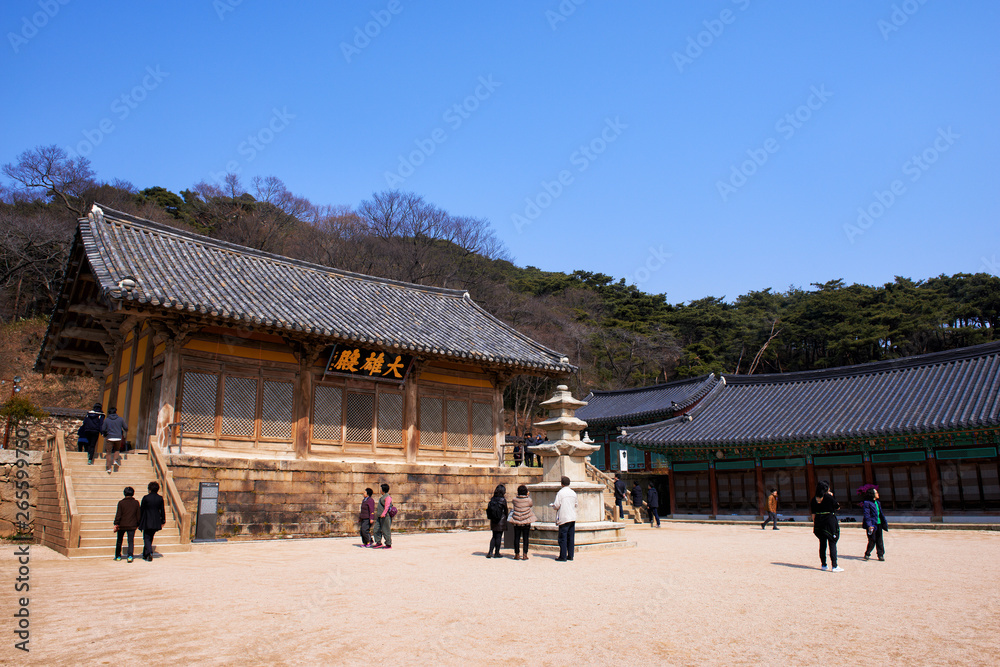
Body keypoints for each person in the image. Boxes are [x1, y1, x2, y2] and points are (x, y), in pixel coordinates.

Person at [810, 481, 842, 572]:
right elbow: (837, 507)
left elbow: (813, 514)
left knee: (822, 544)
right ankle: (834, 565)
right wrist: (831, 497)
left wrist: (815, 524)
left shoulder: (814, 499)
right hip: (829, 521)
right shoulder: (828, 497)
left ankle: (824, 564)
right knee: (832, 542)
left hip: (819, 522)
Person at [137, 481, 165, 562]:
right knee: (150, 537)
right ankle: (145, 554)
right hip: (156, 520)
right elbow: (162, 510)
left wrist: (139, 521)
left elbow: (141, 510)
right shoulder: (160, 498)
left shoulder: (146, 498)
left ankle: (149, 552)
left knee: (146, 537)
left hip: (147, 519)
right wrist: (163, 520)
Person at [552, 476, 577, 561]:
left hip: (564, 517)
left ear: (561, 483)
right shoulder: (573, 492)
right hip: (572, 516)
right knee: (571, 537)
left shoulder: (560, 493)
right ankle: (570, 555)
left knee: (563, 538)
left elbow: (557, 505)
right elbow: (576, 504)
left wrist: (553, 506)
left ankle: (563, 556)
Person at [113, 486, 140, 562]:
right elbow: (138, 514)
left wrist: (116, 523)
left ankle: (118, 556)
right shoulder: (136, 503)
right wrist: (138, 523)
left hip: (122, 525)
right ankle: (130, 556)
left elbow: (118, 514)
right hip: (132, 525)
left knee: (119, 540)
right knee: (130, 541)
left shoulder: (121, 503)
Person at [510, 484, 537, 560]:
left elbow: (514, 502)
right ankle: (525, 554)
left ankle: (517, 554)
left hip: (517, 521)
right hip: (526, 521)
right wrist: (527, 495)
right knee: (525, 538)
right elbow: (530, 505)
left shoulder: (514, 500)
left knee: (516, 538)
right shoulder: (529, 500)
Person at [100, 406, 128, 474]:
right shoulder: (120, 419)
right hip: (118, 437)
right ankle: (115, 460)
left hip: (109, 437)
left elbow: (103, 429)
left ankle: (109, 468)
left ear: (109, 413)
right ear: (116, 412)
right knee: (117, 450)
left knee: (109, 453)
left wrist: (104, 434)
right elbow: (126, 428)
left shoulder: (107, 420)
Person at [863, 487, 887, 561]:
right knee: (872, 539)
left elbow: (880, 513)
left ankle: (880, 554)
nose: (877, 494)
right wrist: (869, 525)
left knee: (879, 539)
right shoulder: (867, 503)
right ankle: (867, 553)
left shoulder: (877, 502)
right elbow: (867, 515)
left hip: (878, 523)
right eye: (876, 493)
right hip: (872, 524)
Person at [485, 484, 508, 558]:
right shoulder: (503, 500)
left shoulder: (492, 499)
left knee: (494, 536)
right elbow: (506, 510)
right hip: (500, 520)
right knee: (499, 537)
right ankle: (497, 552)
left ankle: (490, 552)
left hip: (493, 520)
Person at [372, 483, 393, 549]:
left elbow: (387, 506)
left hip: (385, 517)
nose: (380, 490)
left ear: (383, 490)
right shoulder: (382, 497)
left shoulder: (388, 497)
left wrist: (383, 514)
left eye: (381, 489)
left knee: (386, 530)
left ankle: (388, 544)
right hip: (379, 517)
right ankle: (378, 542)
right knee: (376, 529)